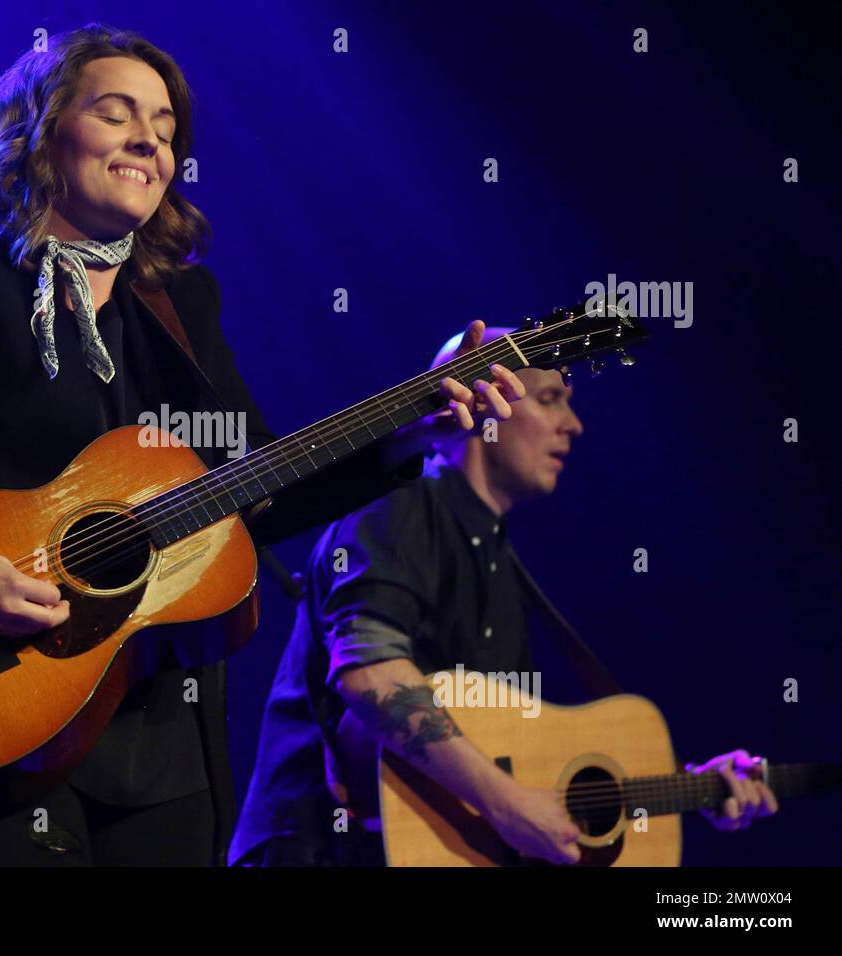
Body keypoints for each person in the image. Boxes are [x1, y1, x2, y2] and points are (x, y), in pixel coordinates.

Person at [0, 23, 525, 866]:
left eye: (165, 129)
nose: (149, 144)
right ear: (41, 132)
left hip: (161, 743)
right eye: (117, 114)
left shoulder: (176, 302)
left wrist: (408, 434)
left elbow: (256, 494)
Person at [230, 327, 778, 866]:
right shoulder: (398, 506)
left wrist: (690, 787)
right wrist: (510, 806)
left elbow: (515, 761)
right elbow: (370, 674)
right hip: (317, 849)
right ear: (483, 403)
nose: (574, 424)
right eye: (549, 399)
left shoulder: (496, 557)